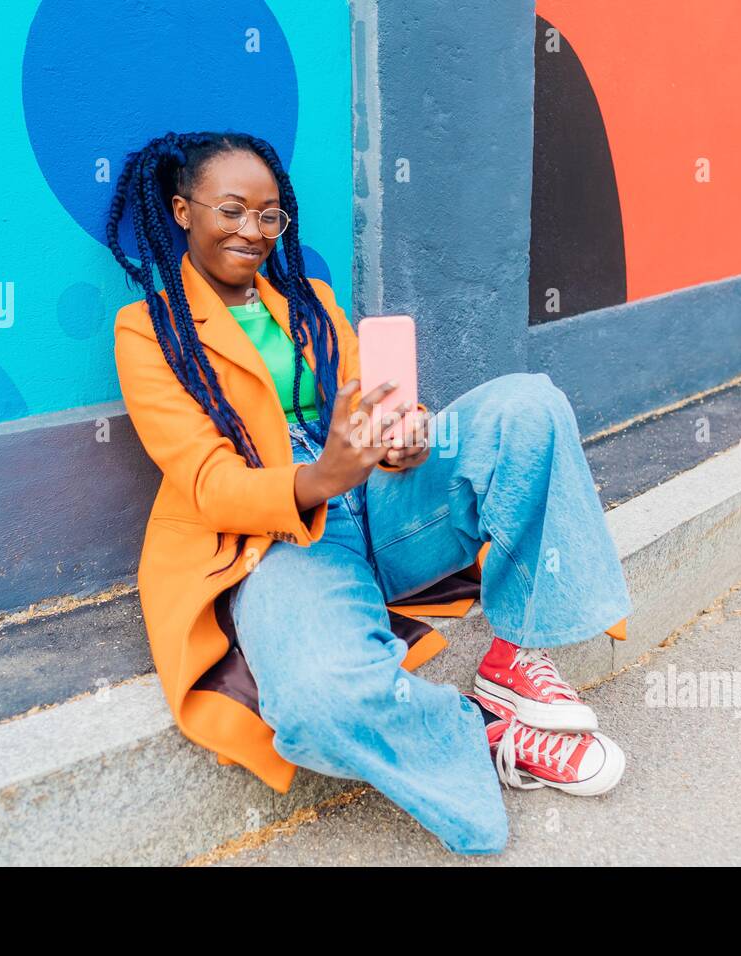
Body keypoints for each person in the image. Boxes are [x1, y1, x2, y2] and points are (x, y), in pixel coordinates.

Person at [107, 130, 634, 855]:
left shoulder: (312, 300)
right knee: (317, 700)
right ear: (181, 210)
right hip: (280, 537)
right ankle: (485, 732)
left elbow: (381, 403)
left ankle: (516, 657)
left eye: (269, 217)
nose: (252, 232)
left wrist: (405, 434)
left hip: (385, 502)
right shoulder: (147, 331)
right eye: (231, 211)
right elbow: (205, 483)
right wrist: (320, 477)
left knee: (528, 406)